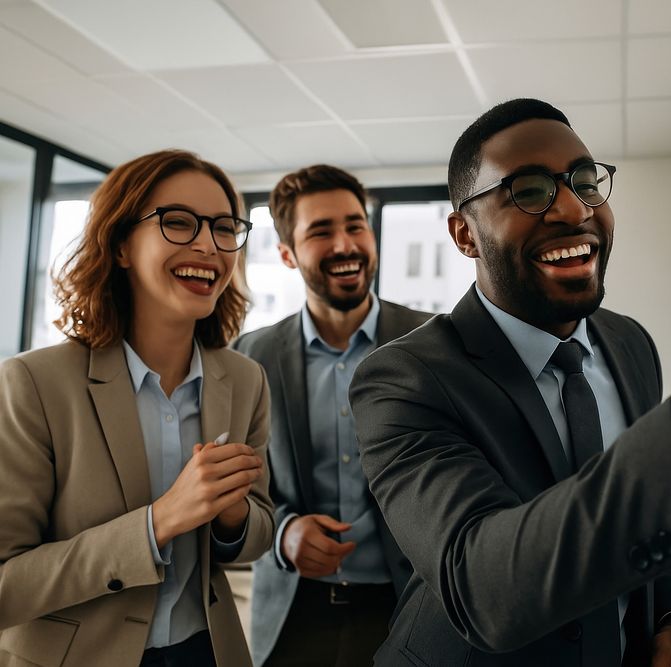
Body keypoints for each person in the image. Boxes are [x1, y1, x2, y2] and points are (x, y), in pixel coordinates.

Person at [349, 98, 671, 666]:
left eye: (584, 181)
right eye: (528, 190)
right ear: (464, 235)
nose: (574, 209)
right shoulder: (401, 379)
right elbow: (481, 587)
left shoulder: (629, 344)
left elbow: (656, 507)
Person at [0, 150, 275, 667]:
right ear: (121, 244)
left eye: (223, 228)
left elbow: (258, 529)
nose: (208, 245)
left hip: (206, 652)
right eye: (178, 222)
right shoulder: (32, 384)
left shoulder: (245, 380)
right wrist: (158, 522)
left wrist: (233, 516)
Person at [232, 165, 431, 667]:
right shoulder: (248, 357)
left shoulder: (434, 345)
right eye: (321, 231)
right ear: (287, 253)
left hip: (410, 609)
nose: (345, 245)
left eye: (355, 225)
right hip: (293, 616)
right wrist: (283, 534)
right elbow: (238, 486)